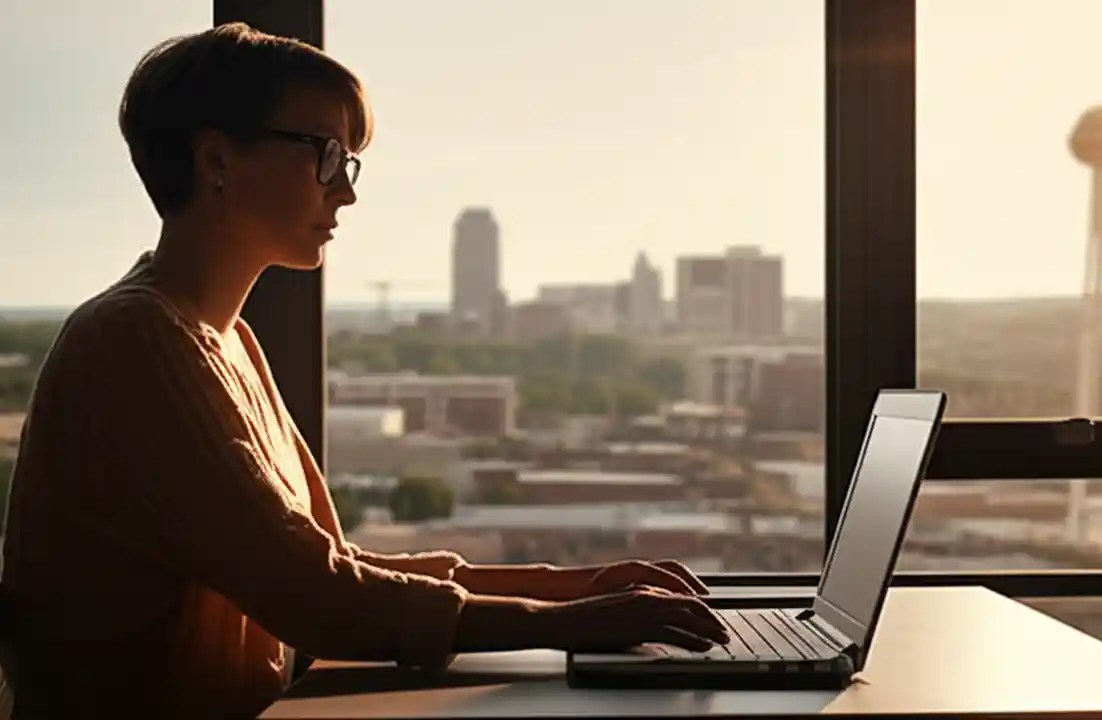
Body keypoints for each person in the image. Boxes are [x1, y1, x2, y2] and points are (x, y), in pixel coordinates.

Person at [0, 22, 729, 718]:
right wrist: (572, 622)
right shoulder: (139, 342)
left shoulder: (224, 341)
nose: (344, 189)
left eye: (347, 163)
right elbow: (320, 599)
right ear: (216, 160)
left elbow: (329, 564)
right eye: (324, 155)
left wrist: (578, 587)